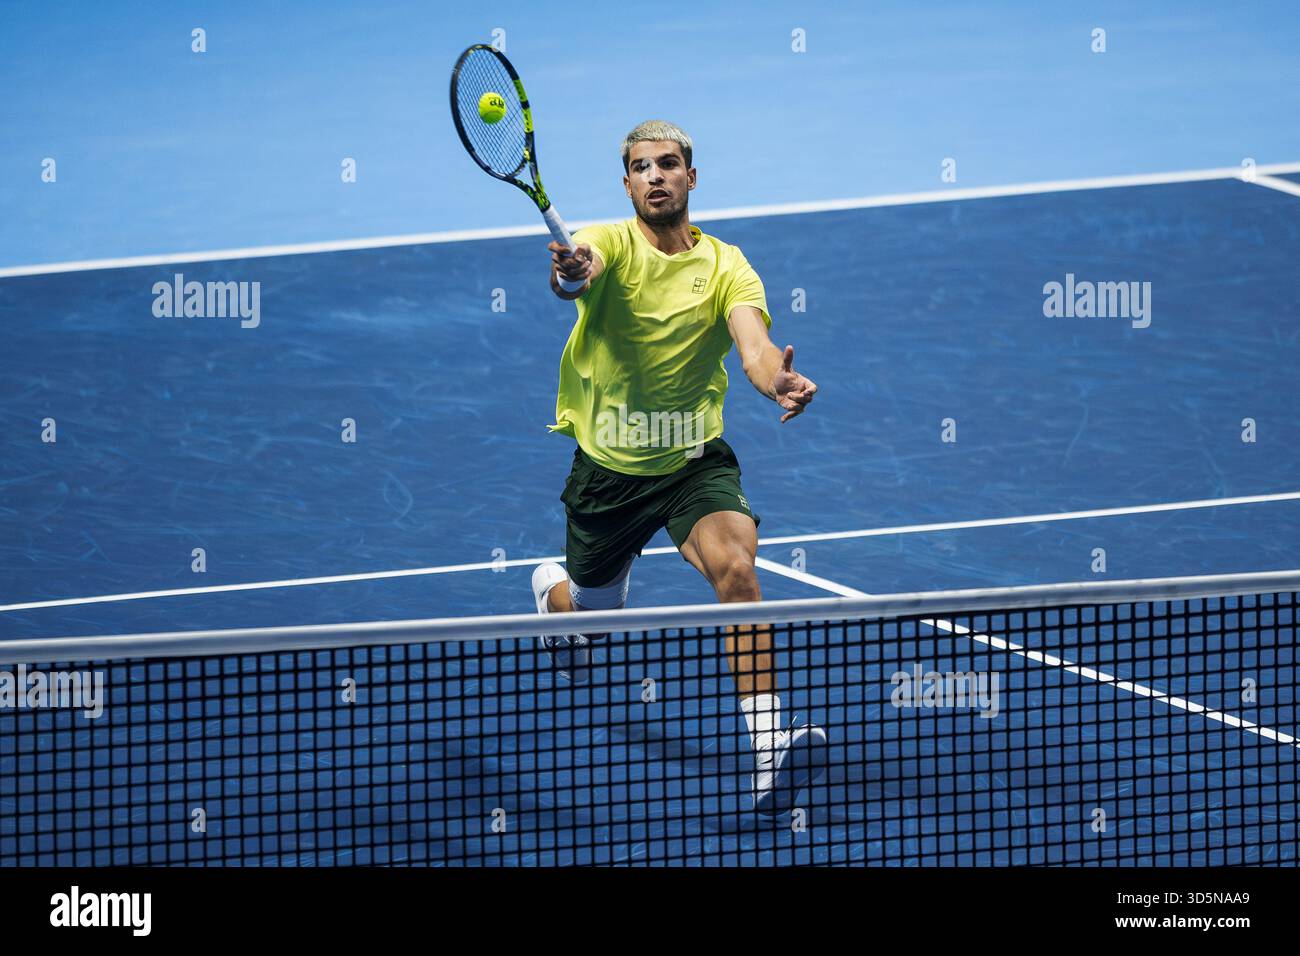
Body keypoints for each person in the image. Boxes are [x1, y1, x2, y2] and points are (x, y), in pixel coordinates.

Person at [531, 120, 824, 816]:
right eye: (641, 167)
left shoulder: (727, 265)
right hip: (610, 472)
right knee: (596, 619)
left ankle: (767, 749)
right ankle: (555, 599)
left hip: (694, 460)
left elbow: (753, 346)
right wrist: (569, 274)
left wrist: (774, 382)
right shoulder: (604, 243)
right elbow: (577, 275)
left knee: (738, 570)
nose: (655, 176)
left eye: (668, 164)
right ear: (626, 183)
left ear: (692, 178)